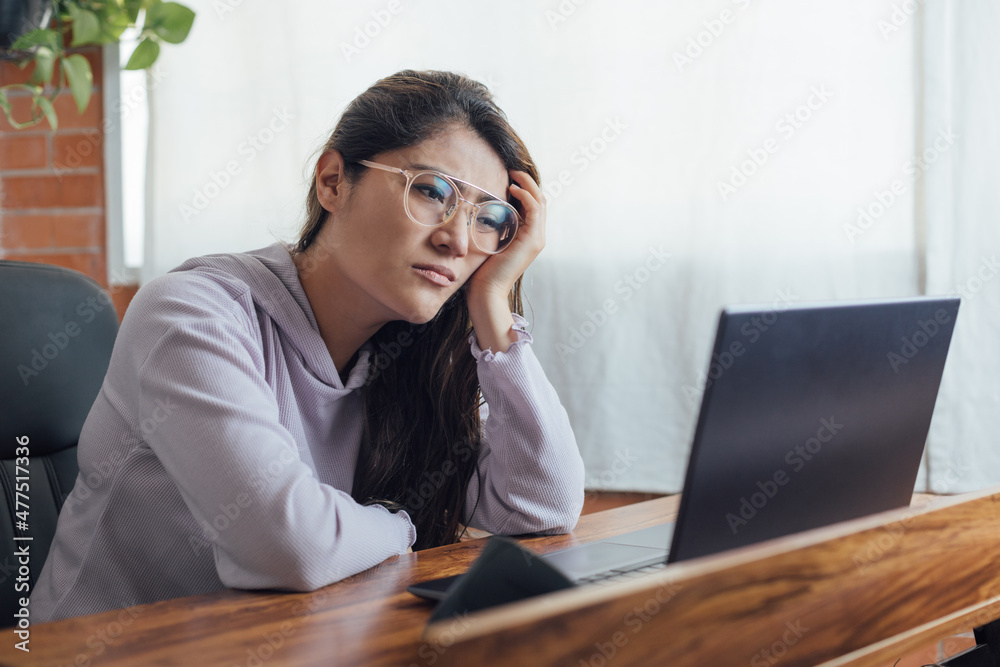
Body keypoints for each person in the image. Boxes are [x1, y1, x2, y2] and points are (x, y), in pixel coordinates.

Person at [31, 70, 585, 622]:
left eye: (487, 220)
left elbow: (542, 506)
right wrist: (399, 521)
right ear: (333, 182)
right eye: (431, 191)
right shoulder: (190, 314)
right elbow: (289, 545)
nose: (458, 240)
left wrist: (492, 308)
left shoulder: (412, 353)